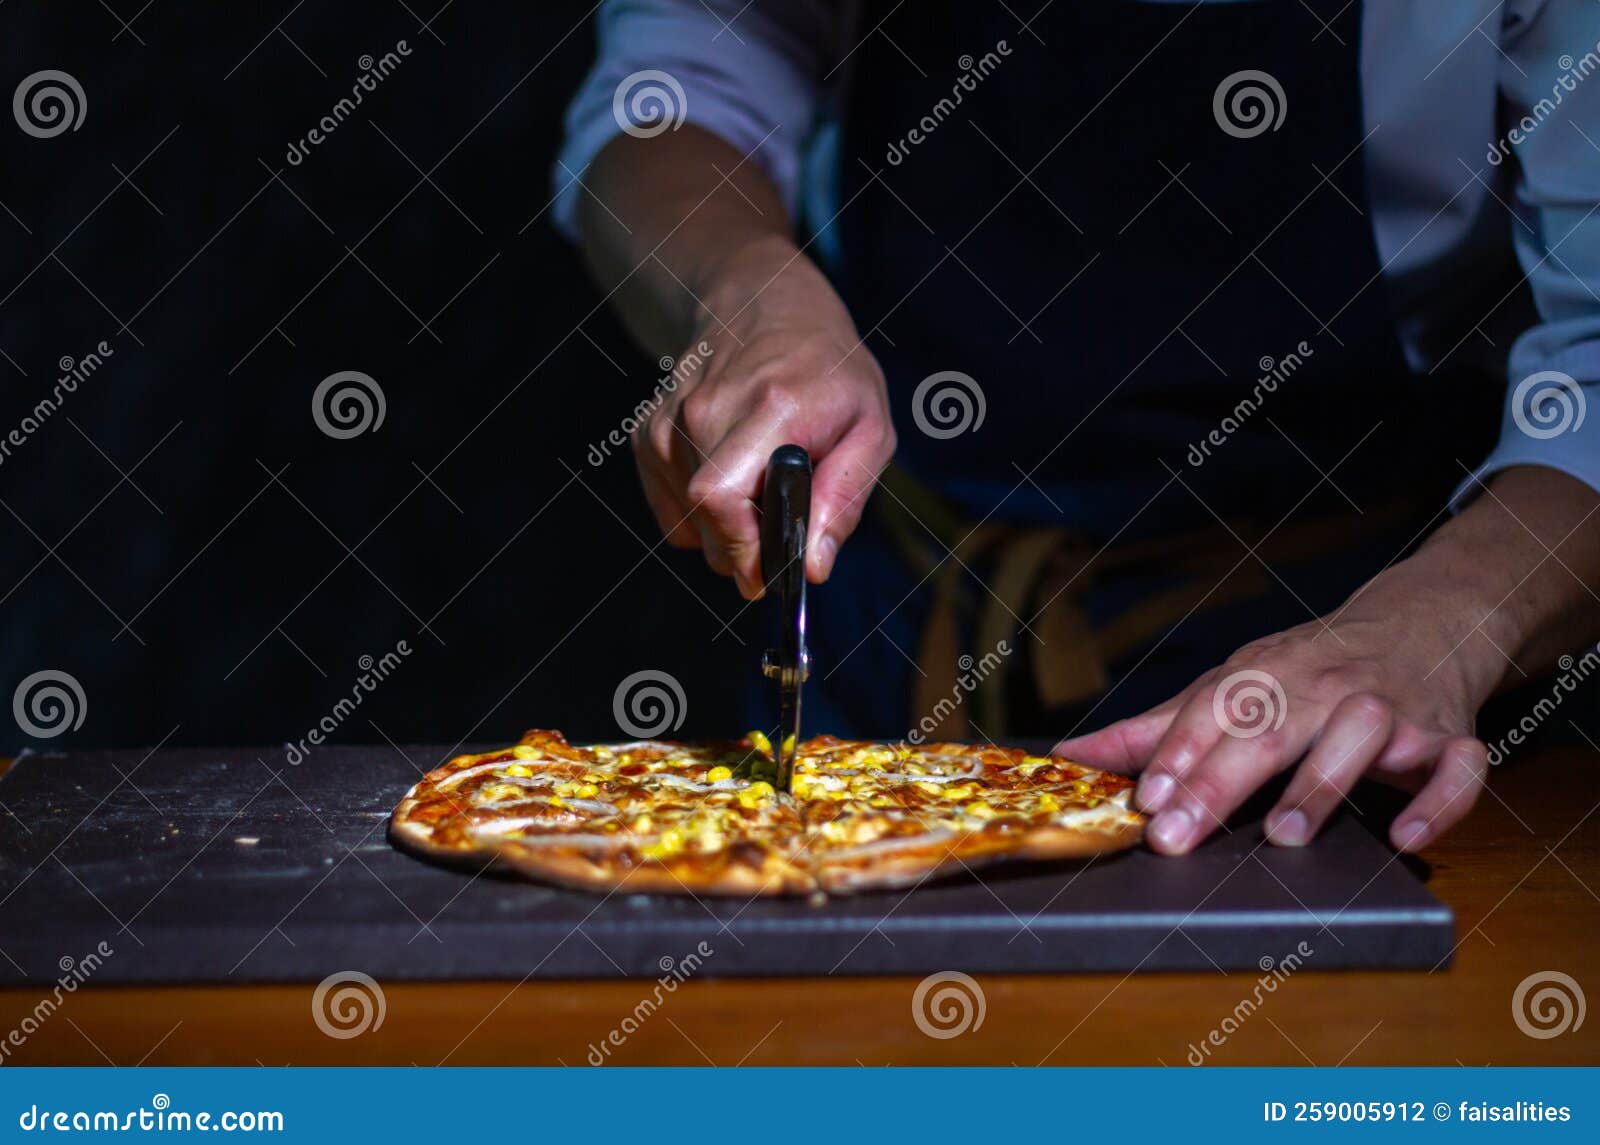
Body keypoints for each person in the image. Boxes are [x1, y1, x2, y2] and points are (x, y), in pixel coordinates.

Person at [552, 1, 1600, 856]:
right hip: (889, 622)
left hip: (1335, 701)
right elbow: (678, 84)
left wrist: (1447, 623)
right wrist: (742, 289)